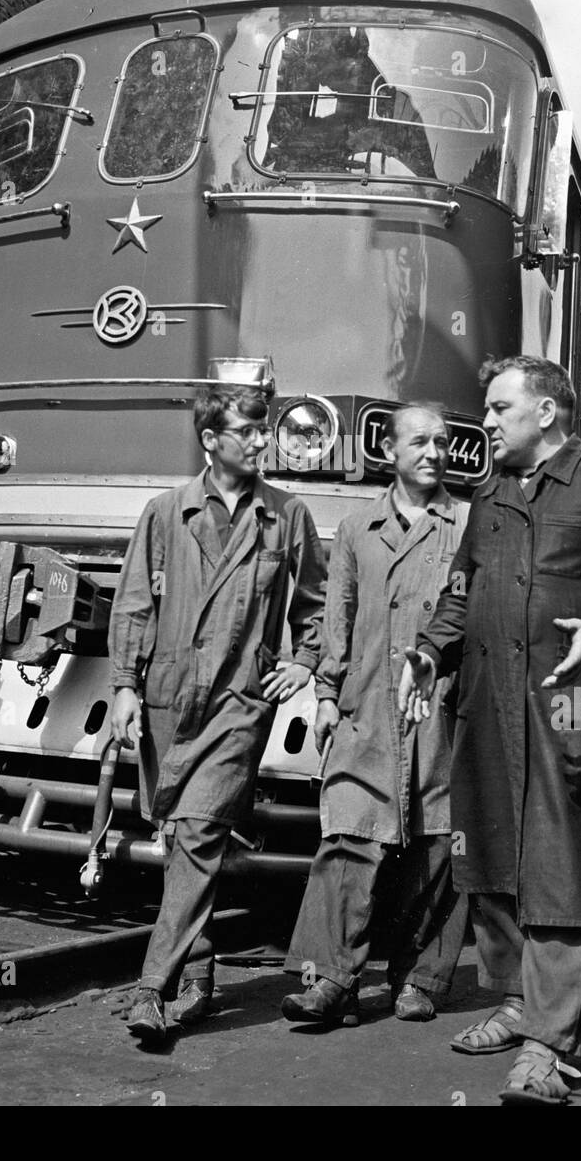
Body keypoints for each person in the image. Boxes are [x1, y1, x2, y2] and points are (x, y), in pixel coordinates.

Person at [399, 356, 581, 1104]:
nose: (484, 421)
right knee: (490, 859)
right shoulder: (490, 496)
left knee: (561, 869)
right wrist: (426, 651)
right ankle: (514, 1002)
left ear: (545, 413)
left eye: (497, 408)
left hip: (568, 705)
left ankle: (549, 1046)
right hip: (486, 705)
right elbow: (461, 590)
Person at [108, 383, 327, 1043]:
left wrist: (305, 660)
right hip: (168, 698)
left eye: (263, 431)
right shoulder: (165, 512)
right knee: (178, 840)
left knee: (198, 835)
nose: (262, 442)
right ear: (210, 440)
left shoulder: (286, 516)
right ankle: (198, 976)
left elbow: (316, 601)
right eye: (247, 432)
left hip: (238, 700)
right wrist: (122, 684)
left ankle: (151, 991)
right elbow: (136, 601)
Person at [280, 405, 469, 1028]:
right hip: (365, 703)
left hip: (441, 709)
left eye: (442, 442)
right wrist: (328, 695)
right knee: (349, 836)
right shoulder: (359, 526)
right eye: (419, 442)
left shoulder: (467, 526)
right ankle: (329, 979)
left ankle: (420, 977)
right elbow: (338, 615)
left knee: (436, 844)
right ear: (390, 450)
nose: (434, 452)